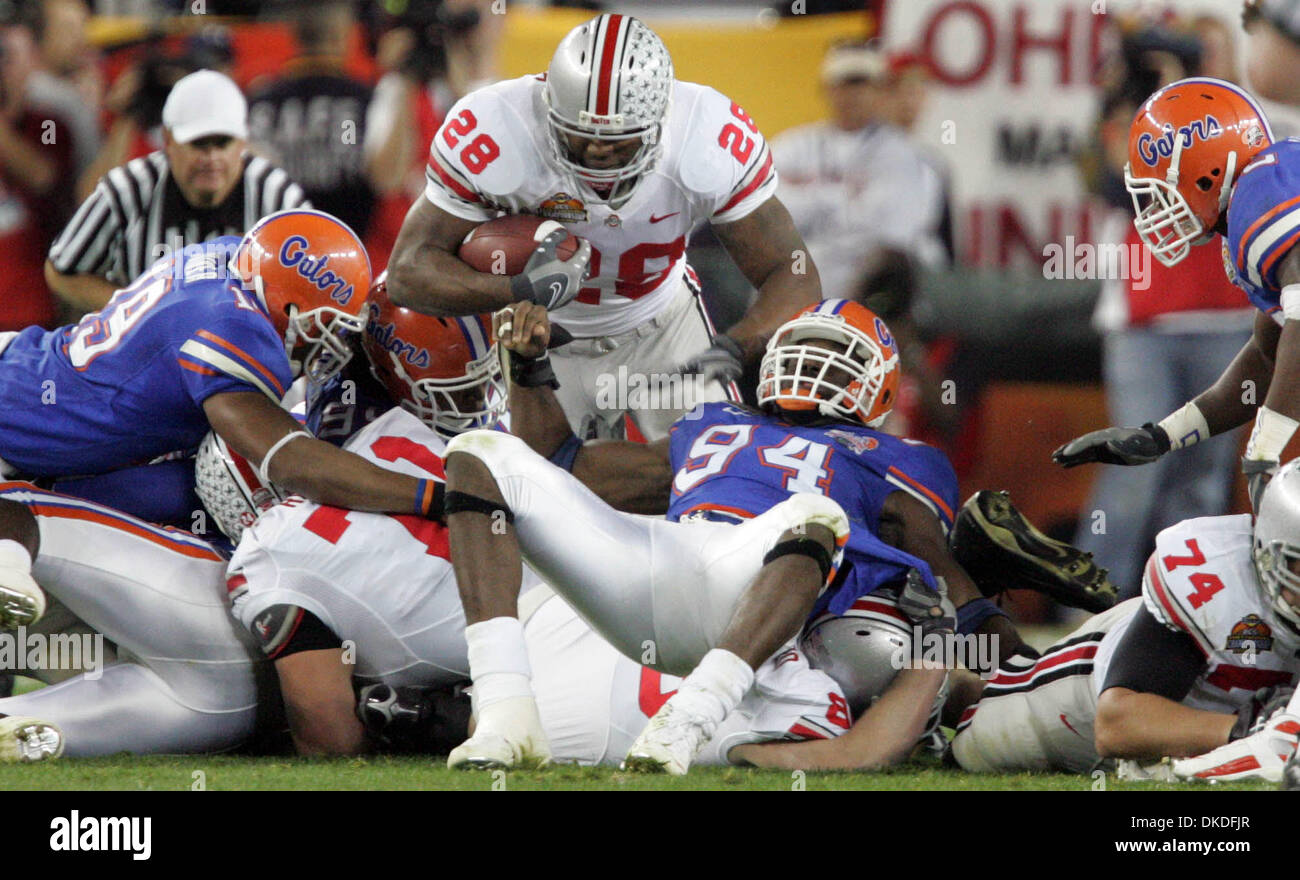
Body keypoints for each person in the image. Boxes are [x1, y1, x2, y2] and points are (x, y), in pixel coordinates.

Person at [440, 298, 1109, 774]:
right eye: (806, 350)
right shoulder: (712, 425)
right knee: (480, 454)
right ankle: (505, 712)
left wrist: (1005, 655)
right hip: (666, 572)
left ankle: (696, 714)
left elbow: (940, 578)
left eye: (838, 357)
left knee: (812, 517)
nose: (816, 366)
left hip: (770, 596)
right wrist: (527, 369)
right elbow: (570, 466)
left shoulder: (897, 456)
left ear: (877, 387)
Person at [386, 13, 821, 441]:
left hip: (663, 325)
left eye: (617, 139)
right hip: (538, 336)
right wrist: (517, 291)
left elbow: (793, 271)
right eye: (579, 134)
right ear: (549, 106)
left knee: (710, 475)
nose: (596, 150)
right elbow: (408, 271)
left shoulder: (704, 134)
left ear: (659, 121)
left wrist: (736, 346)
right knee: (532, 493)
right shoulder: (500, 128)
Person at [0, 209, 451, 551]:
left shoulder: (232, 258)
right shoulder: (230, 327)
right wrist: (434, 496)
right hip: (17, 426)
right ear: (290, 310)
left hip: (27, 373)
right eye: (326, 327)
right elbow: (294, 463)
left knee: (186, 488)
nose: (327, 347)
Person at [948, 472, 1300, 784]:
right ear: (1268, 553)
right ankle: (959, 593)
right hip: (1092, 697)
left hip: (1187, 670)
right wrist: (1249, 729)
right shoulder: (1220, 585)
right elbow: (1117, 723)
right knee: (975, 708)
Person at [359, 584, 948, 771]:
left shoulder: (765, 591)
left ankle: (433, 699)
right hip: (581, 732)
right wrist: (939, 653)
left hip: (558, 627)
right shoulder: (815, 705)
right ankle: (437, 715)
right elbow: (866, 752)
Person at [1052, 78, 1300, 512]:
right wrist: (1160, 437)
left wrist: (1265, 448)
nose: (1155, 207)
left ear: (1209, 172)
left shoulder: (1263, 201)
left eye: (1162, 188)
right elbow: (1266, 356)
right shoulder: (1258, 199)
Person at [0, 485, 270, 761]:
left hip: (212, 611)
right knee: (15, 728)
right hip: (235, 714)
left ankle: (7, 565)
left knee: (13, 503)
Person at [45, 68, 310, 314]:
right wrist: (137, 313)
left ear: (242, 141)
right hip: (149, 355)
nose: (211, 157)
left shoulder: (277, 197)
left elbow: (316, 283)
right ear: (169, 140)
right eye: (198, 143)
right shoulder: (127, 190)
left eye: (222, 142)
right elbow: (62, 269)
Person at [771, 40, 948, 303]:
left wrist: (810, 203)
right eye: (845, 84)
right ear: (826, 89)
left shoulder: (903, 154)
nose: (853, 95)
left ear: (879, 91)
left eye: (863, 85)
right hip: (793, 280)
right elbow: (765, 216)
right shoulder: (792, 146)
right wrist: (838, 201)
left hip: (870, 292)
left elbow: (892, 238)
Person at [247, 0, 380, 238]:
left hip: (278, 245)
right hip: (351, 247)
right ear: (343, 34)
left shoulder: (262, 101)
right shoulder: (367, 99)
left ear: (294, 35)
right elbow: (387, 178)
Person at [0, 12, 77, 331]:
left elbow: (41, 176)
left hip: (27, 313)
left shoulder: (48, 125)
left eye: (6, 56)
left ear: (31, 62)